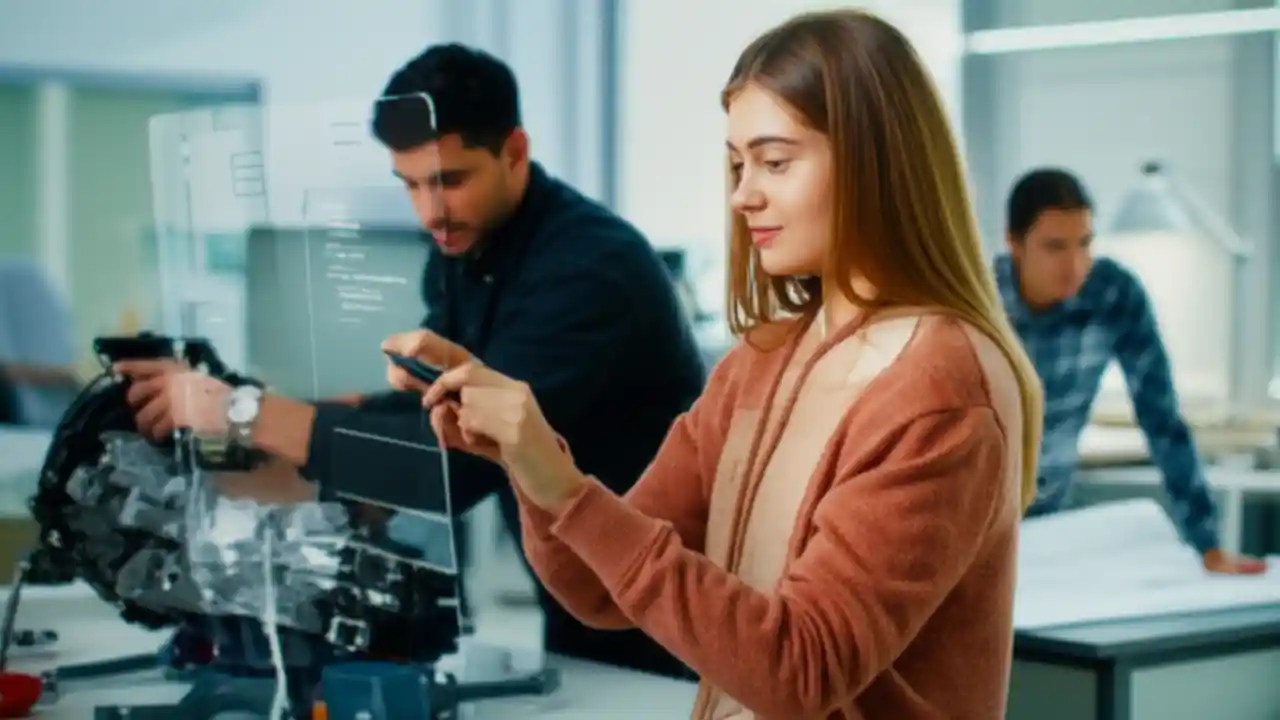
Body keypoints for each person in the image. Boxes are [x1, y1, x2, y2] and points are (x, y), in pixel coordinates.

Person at [384, 10, 1044, 719]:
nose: (742, 194)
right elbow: (599, 590)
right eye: (738, 163)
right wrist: (529, 464)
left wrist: (571, 494)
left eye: (776, 161)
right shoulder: (759, 365)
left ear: (872, 160)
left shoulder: (939, 389)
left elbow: (801, 671)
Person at [115, 43, 707, 678]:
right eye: (412, 184)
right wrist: (262, 409)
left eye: (450, 180)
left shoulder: (590, 275)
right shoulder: (467, 247)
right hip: (582, 612)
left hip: (675, 634)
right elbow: (423, 409)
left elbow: (445, 470)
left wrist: (239, 412)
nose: (430, 212)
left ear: (515, 151)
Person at [996, 168, 1266, 575]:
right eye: (1054, 247)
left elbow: (1162, 419)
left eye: (1084, 244)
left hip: (1051, 519)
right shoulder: (980, 301)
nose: (1074, 265)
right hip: (979, 516)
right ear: (1013, 243)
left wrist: (1206, 542)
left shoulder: (1113, 294)